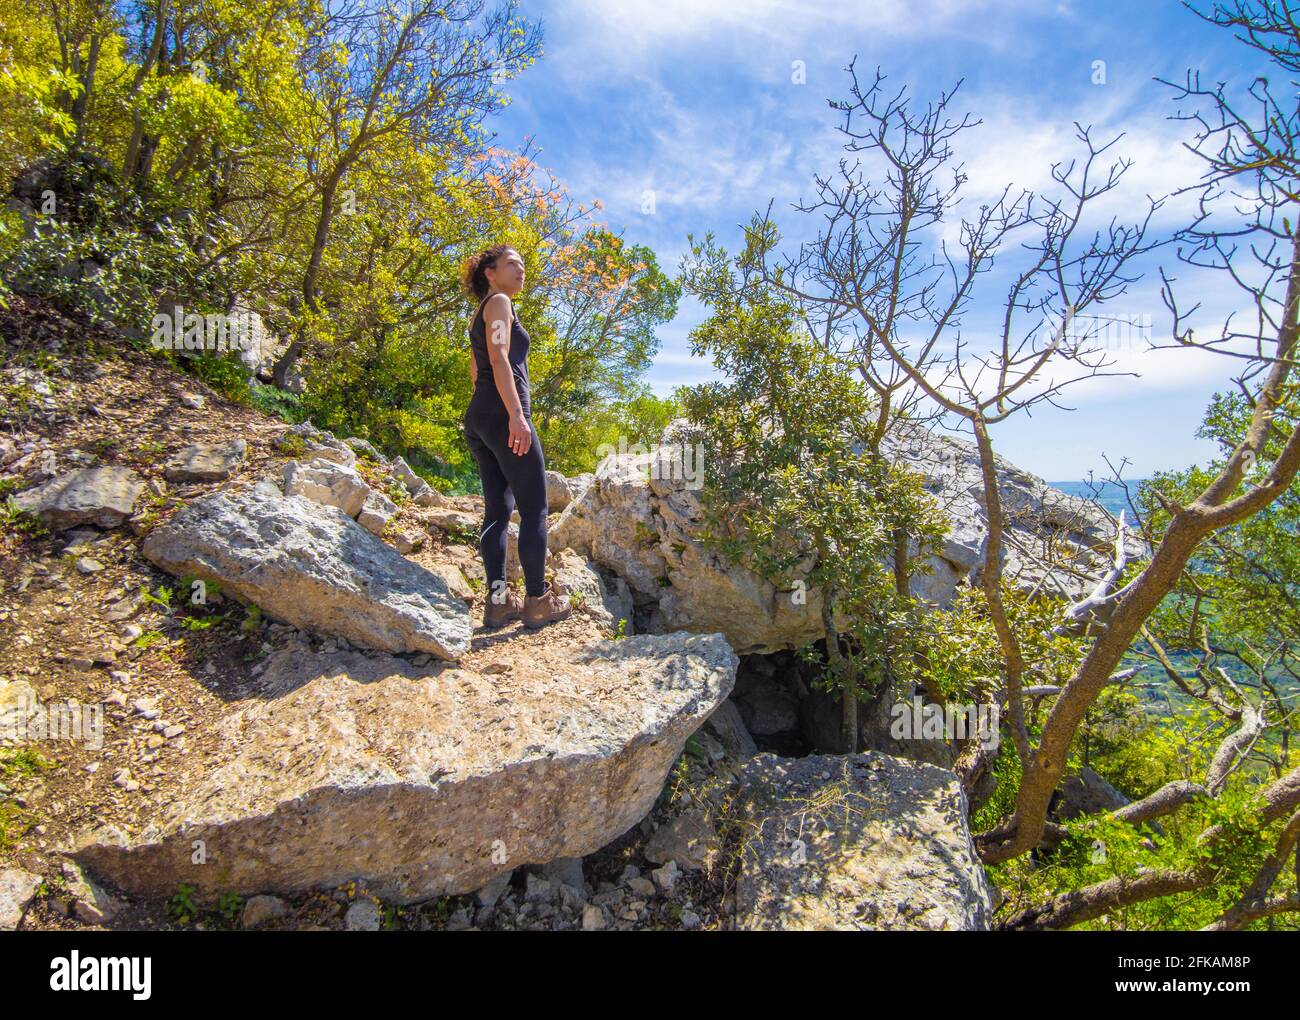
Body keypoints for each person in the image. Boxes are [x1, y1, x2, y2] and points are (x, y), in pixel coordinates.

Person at [460, 244, 572, 630]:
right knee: (535, 507)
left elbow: (477, 368)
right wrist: (516, 417)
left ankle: (497, 603)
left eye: (523, 265)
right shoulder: (500, 302)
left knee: (497, 510)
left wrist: (489, 412)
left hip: (480, 416)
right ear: (490, 272)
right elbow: (498, 359)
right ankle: (538, 601)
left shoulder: (481, 312)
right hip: (502, 415)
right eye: (512, 264)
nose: (521, 270)